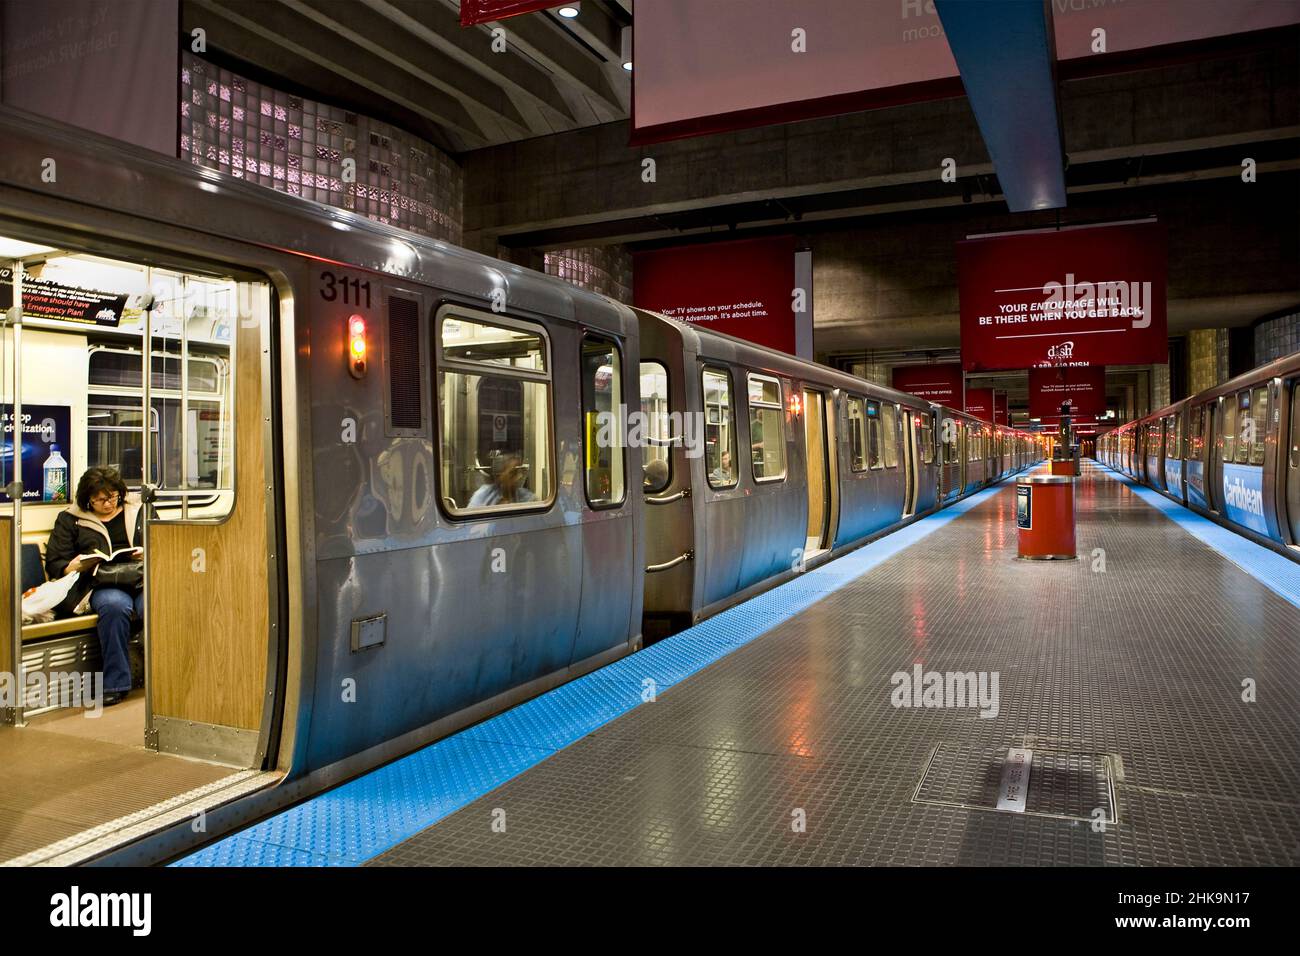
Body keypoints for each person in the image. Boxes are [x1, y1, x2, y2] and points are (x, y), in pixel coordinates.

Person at [44, 467, 144, 706]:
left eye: (112, 497)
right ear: (87, 499)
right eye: (100, 499)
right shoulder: (71, 519)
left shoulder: (138, 510)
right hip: (100, 582)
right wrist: (74, 565)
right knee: (114, 607)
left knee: (156, 605)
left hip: (140, 578)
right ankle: (116, 683)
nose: (108, 503)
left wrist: (147, 553)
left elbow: (164, 541)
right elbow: (55, 562)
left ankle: (165, 676)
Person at [468, 452, 537, 507]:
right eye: (512, 473)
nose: (519, 477)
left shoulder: (528, 498)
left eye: (519, 472)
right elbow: (470, 523)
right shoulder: (482, 496)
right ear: (500, 475)